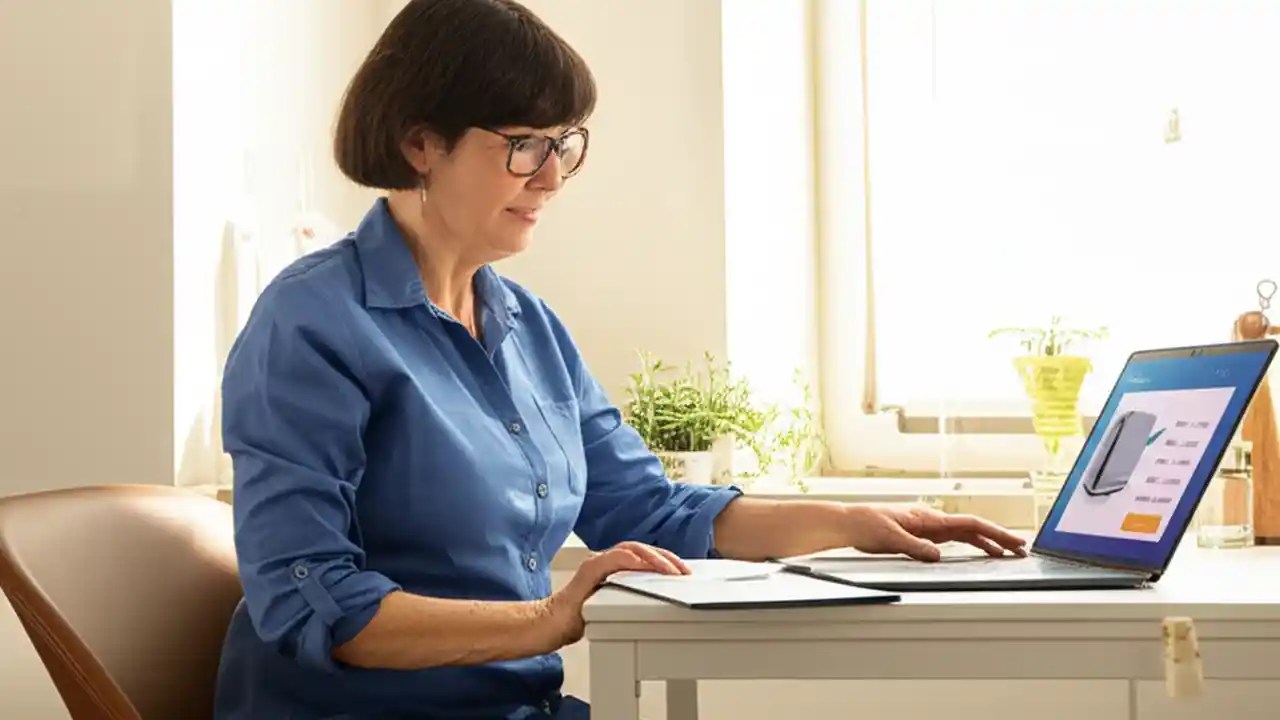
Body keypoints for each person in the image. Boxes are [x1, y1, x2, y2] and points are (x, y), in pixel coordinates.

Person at [212, 1, 1028, 718]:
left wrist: (851, 526)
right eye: (525, 145)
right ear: (420, 142)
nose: (555, 175)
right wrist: (550, 618)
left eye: (565, 144)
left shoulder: (529, 329)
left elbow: (650, 511)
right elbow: (311, 603)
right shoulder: (312, 324)